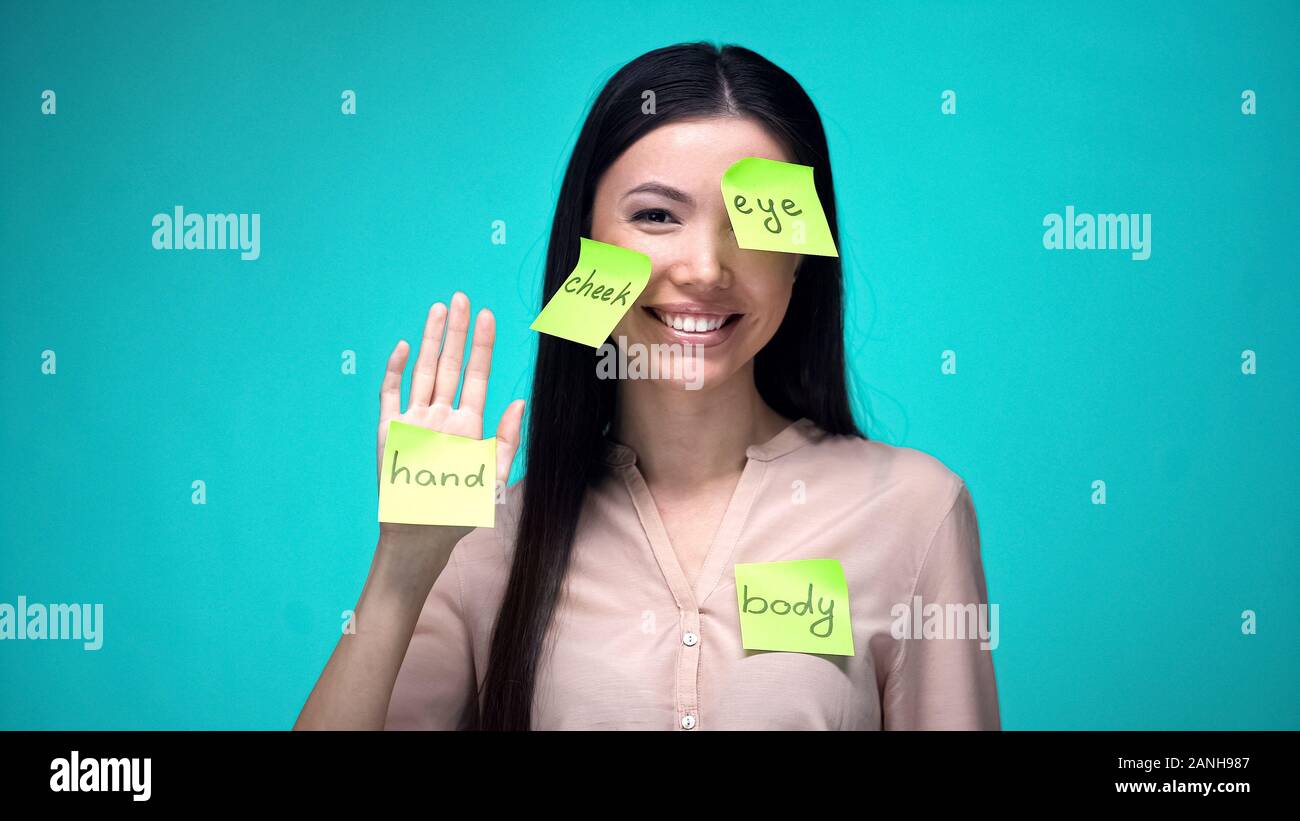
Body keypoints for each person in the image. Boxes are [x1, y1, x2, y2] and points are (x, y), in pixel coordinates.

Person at [294, 41, 1000, 731]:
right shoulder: (485, 540)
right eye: (657, 215)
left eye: (757, 222)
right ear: (583, 249)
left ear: (800, 261)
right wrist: (400, 570)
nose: (705, 268)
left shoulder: (913, 510)